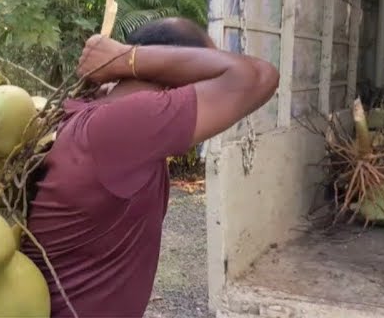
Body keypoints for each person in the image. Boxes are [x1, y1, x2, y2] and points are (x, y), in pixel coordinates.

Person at [25, 18, 279, 318]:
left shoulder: (89, 115)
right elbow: (257, 77)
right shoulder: (122, 126)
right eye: (201, 71)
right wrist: (125, 58)